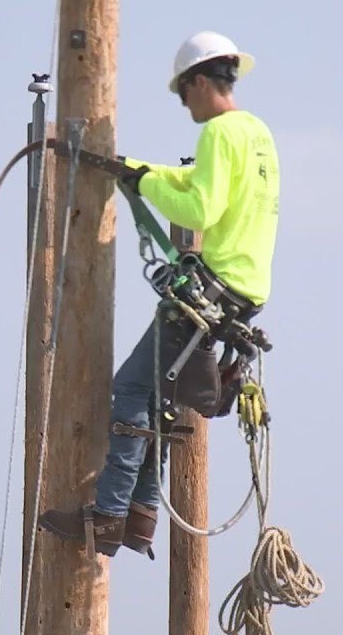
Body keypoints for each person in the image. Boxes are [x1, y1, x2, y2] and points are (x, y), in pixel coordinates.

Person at [37, 31, 281, 560]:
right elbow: (195, 183)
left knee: (130, 389)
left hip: (211, 293)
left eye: (183, 93)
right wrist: (141, 171)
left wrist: (146, 186)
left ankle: (109, 515)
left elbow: (198, 210)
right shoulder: (256, 133)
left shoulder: (218, 132)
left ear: (199, 82)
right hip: (244, 291)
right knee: (150, 396)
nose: (183, 105)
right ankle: (141, 516)